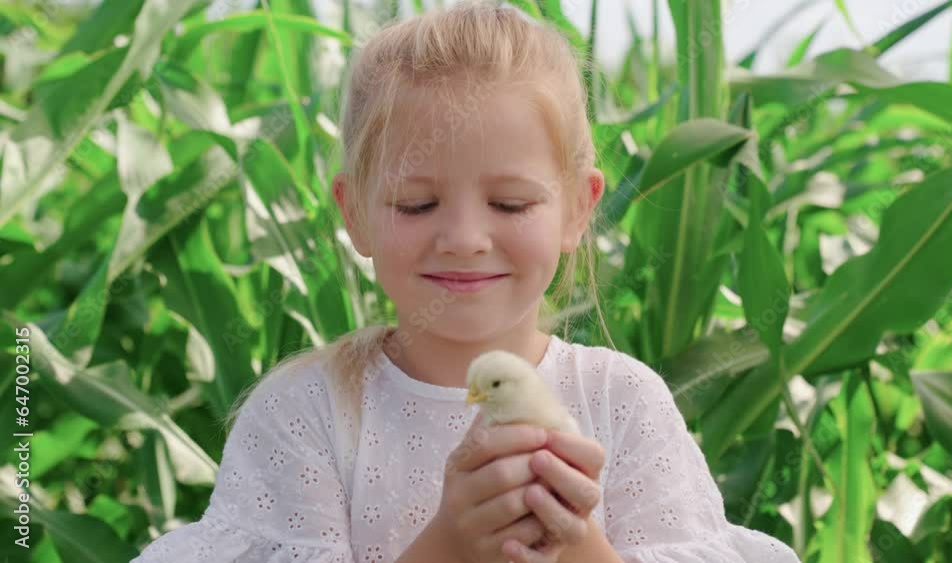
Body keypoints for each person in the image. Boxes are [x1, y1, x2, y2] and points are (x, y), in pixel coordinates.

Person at [133, 1, 800, 562]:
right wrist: (449, 543)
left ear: (578, 209)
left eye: (510, 204)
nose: (463, 237)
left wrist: (577, 540)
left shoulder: (622, 405)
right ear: (354, 213)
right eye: (415, 204)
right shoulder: (304, 413)